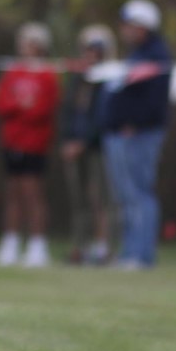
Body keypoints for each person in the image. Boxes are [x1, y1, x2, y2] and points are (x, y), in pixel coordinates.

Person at [101, 0, 172, 270]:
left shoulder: (157, 55)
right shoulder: (136, 55)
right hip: (121, 134)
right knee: (126, 197)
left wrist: (134, 123)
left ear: (143, 27)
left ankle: (141, 255)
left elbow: (153, 102)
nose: (124, 30)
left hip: (139, 135)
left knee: (139, 194)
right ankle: (130, 251)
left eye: (129, 25)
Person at [0, 22, 60, 268]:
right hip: (11, 140)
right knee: (12, 193)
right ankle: (9, 244)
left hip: (35, 143)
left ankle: (37, 246)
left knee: (33, 194)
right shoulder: (12, 72)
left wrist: (23, 106)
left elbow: (43, 109)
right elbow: (1, 104)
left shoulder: (48, 74)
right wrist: (21, 104)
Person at [59, 24, 116, 265]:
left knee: (100, 198)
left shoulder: (109, 78)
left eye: (96, 49)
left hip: (98, 146)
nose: (91, 54)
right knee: (78, 199)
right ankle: (79, 247)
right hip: (74, 145)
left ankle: (103, 247)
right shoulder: (76, 78)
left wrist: (83, 142)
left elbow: (103, 116)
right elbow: (68, 111)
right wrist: (67, 141)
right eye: (87, 49)